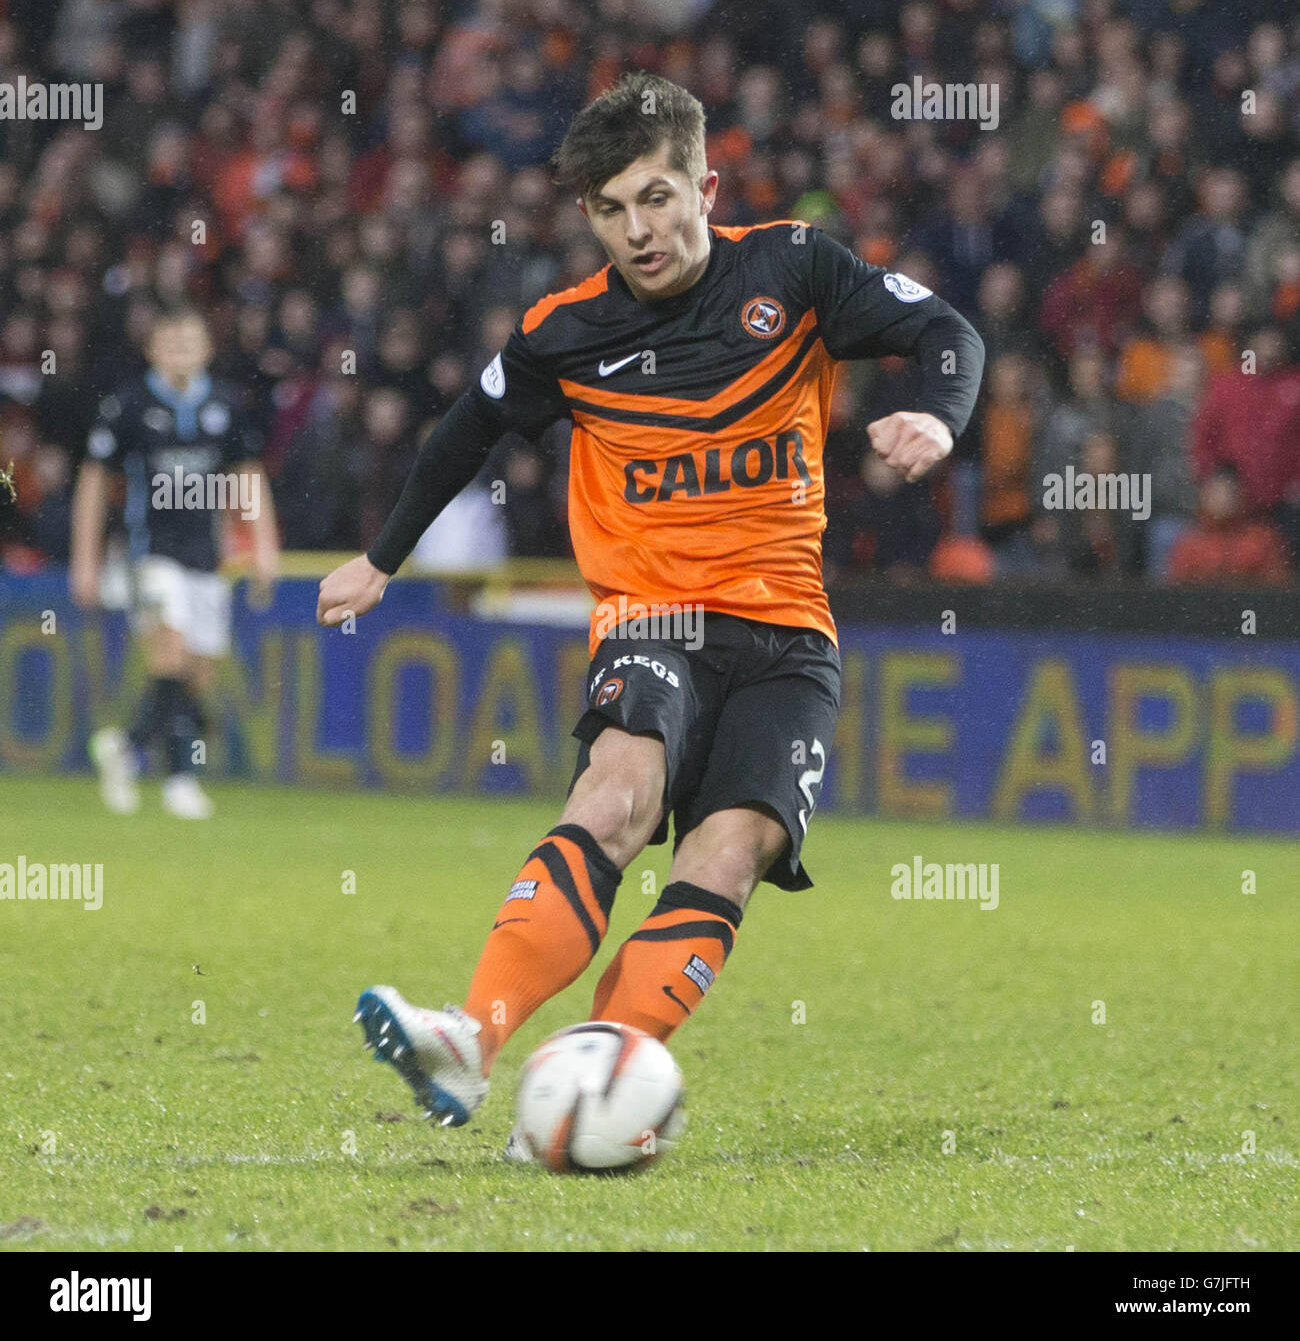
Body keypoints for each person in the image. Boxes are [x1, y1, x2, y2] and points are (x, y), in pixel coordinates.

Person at [317, 74, 984, 1148]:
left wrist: (940, 420)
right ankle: (470, 1038)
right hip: (653, 614)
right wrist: (380, 559)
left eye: (658, 198)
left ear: (704, 185)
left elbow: (949, 331)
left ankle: (599, 1070)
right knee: (619, 789)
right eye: (613, 209)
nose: (641, 230)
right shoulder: (564, 333)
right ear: (588, 216)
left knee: (729, 852)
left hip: (788, 636)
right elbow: (461, 431)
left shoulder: (796, 271)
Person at [69, 308, 279, 818]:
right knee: (171, 650)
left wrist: (264, 548)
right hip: (149, 556)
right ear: (153, 350)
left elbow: (247, 477)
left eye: (191, 341)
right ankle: (181, 781)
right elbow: (95, 483)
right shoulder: (129, 406)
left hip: (207, 560)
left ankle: (126, 744)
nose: (181, 351)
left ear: (207, 349)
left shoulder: (225, 405)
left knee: (198, 673)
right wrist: (85, 560)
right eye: (171, 342)